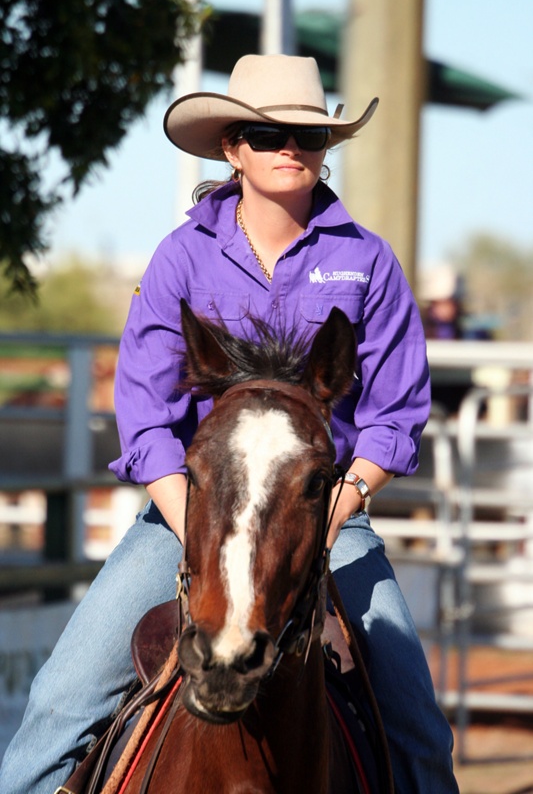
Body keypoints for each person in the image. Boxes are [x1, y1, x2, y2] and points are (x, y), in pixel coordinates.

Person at [0, 54, 458, 793]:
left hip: (319, 508)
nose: (288, 148)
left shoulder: (367, 260)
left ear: (325, 151)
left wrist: (336, 510)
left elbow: (395, 411)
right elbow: (146, 420)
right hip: (189, 511)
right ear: (231, 148)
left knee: (415, 721)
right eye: (265, 133)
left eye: (306, 137)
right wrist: (205, 533)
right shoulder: (181, 256)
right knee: (60, 702)